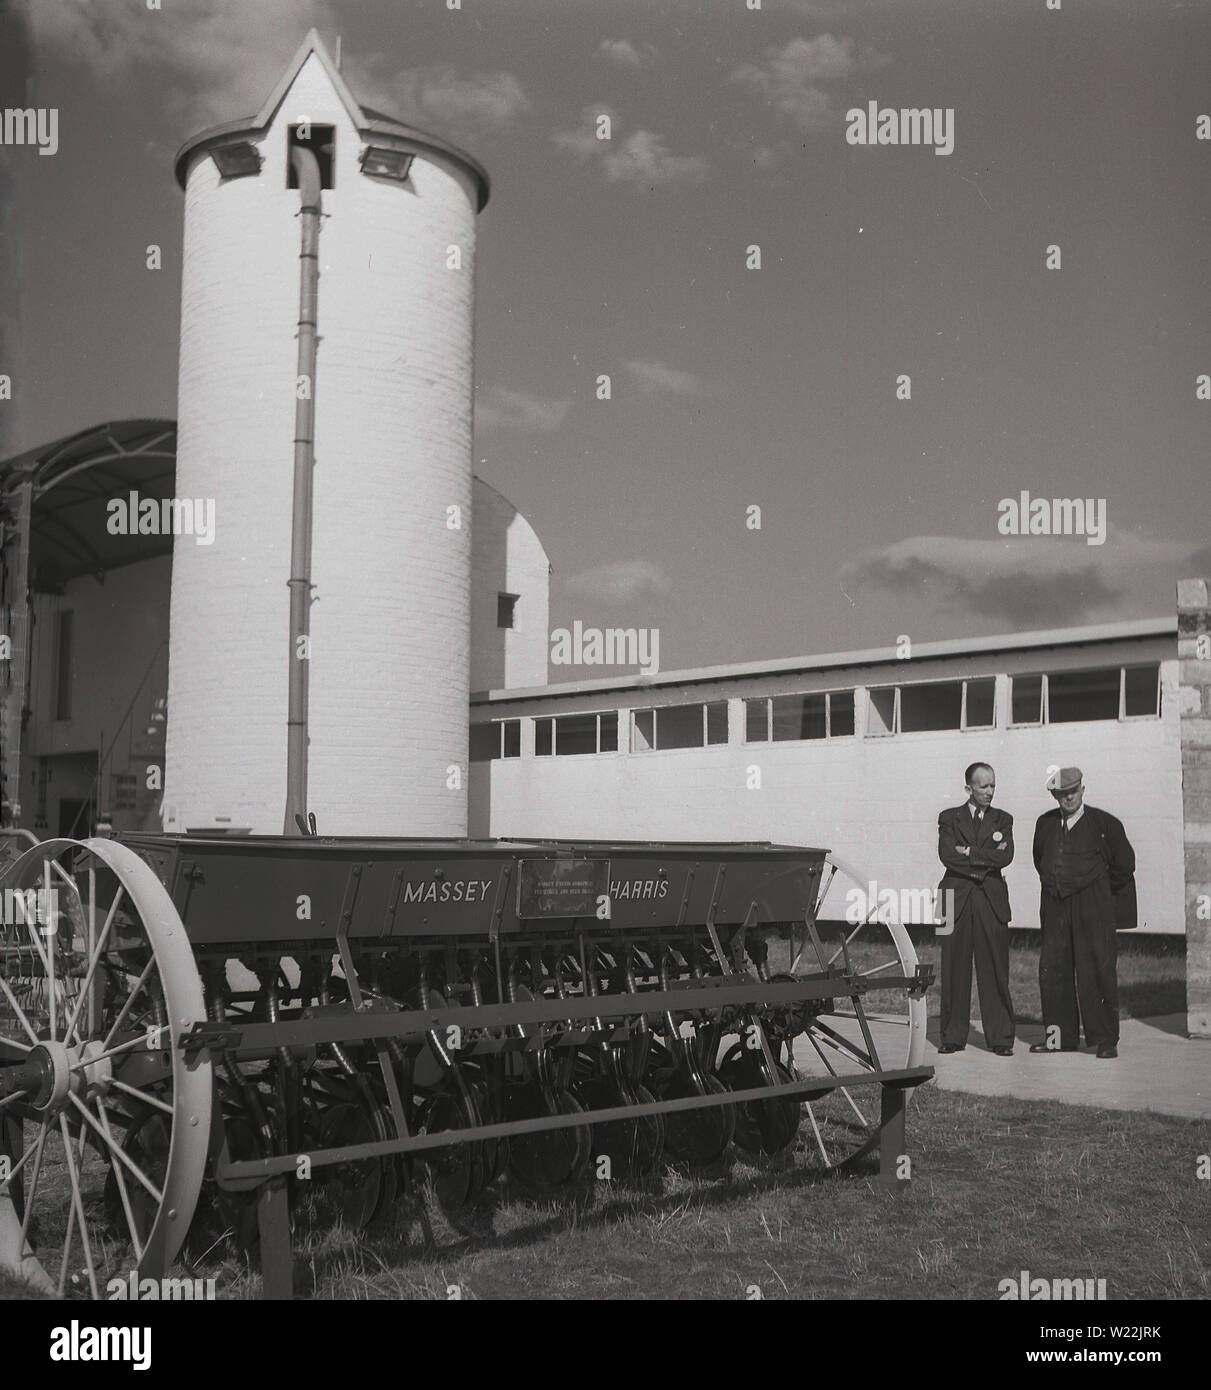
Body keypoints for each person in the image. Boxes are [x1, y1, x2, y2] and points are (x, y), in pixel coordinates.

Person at [1030, 767, 1136, 1060]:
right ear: (1055, 796)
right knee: (1053, 972)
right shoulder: (1045, 823)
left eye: (1073, 791)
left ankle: (1104, 1040)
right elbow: (1040, 858)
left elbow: (1124, 866)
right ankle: (1058, 1039)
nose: (1068, 798)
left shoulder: (1106, 824)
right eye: (1062, 794)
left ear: (1082, 790)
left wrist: (1098, 890)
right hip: (1054, 906)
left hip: (1093, 907)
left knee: (1097, 971)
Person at [936, 762, 1016, 1055]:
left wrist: (968, 852)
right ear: (969, 788)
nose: (990, 791)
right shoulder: (949, 818)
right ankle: (952, 1037)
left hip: (991, 901)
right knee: (953, 969)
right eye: (984, 786)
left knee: (995, 969)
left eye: (993, 785)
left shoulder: (1003, 819)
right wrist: (984, 859)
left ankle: (1001, 1039)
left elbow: (1005, 857)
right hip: (952, 902)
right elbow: (946, 855)